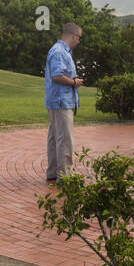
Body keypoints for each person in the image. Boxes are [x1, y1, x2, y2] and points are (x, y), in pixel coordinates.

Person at [44, 22, 83, 182]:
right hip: (61, 102)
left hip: (57, 101)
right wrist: (74, 82)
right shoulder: (60, 52)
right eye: (79, 37)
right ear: (73, 35)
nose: (79, 41)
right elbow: (57, 75)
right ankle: (65, 176)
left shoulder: (60, 50)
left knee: (55, 138)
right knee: (65, 140)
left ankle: (53, 172)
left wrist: (73, 79)